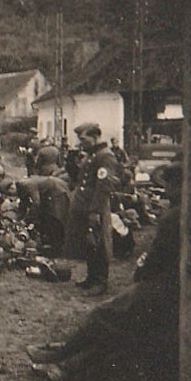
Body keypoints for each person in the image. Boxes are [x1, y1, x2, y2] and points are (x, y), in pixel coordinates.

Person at [28, 162, 182, 381]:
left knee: (105, 316)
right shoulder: (181, 212)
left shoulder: (174, 216)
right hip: (169, 286)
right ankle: (63, 363)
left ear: (177, 186)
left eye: (169, 185)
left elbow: (156, 259)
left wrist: (141, 271)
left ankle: (60, 355)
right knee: (119, 326)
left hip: (163, 287)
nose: (166, 189)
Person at [63, 123, 120, 297]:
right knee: (89, 243)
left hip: (96, 206)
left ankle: (100, 281)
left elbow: (104, 186)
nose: (81, 142)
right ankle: (91, 277)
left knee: (98, 243)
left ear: (95, 137)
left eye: (84, 139)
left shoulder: (105, 156)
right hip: (84, 205)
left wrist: (95, 211)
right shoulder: (92, 155)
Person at [14, 176, 71, 254]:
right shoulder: (23, 188)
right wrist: (18, 219)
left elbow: (36, 203)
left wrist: (27, 219)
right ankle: (49, 241)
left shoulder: (29, 185)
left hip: (58, 190)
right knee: (45, 216)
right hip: (49, 193)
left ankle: (60, 246)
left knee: (57, 218)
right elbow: (23, 203)